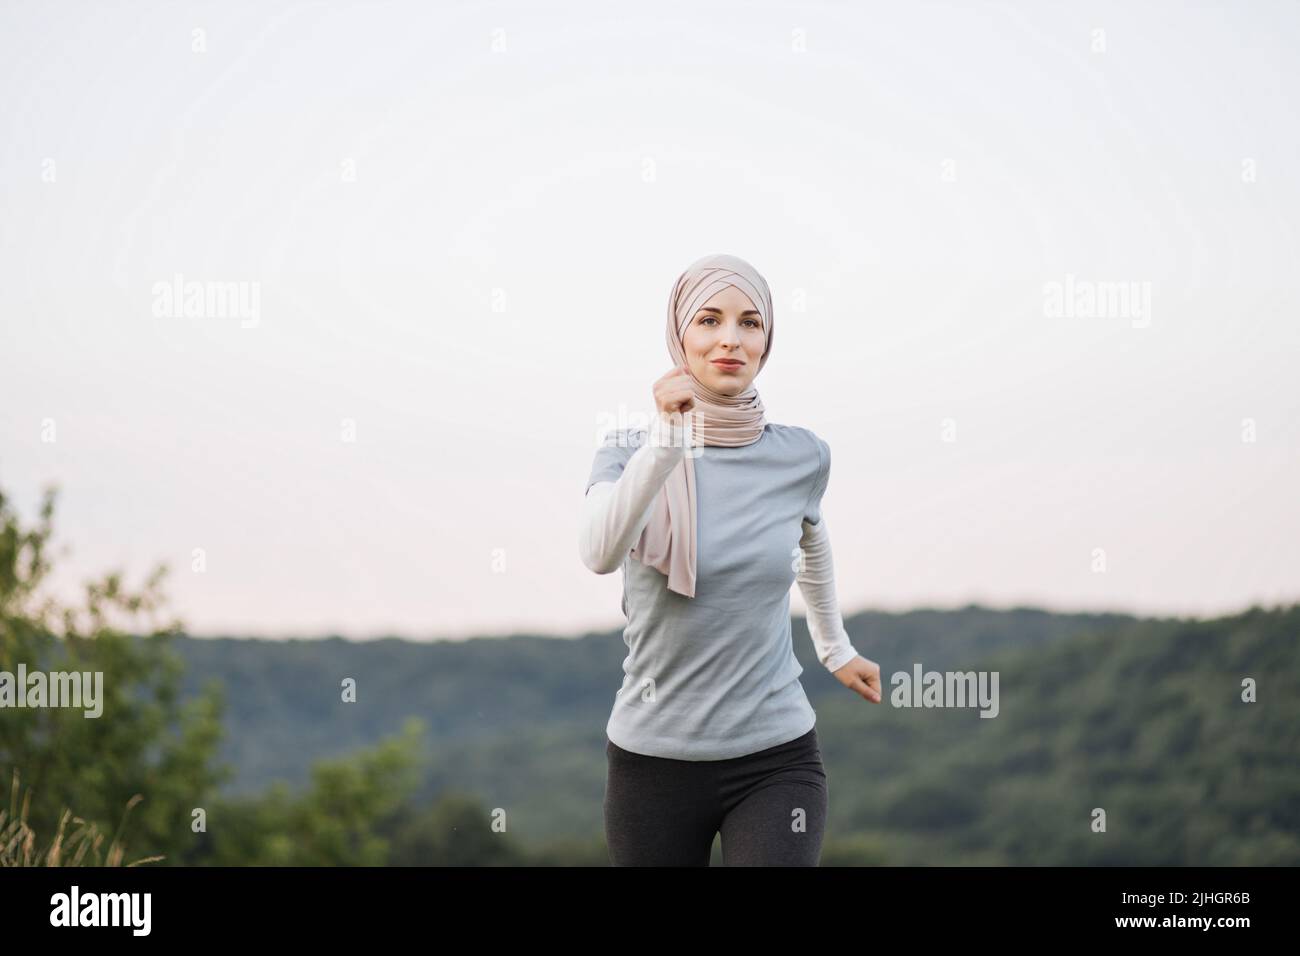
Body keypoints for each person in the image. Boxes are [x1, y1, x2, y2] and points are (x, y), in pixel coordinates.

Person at [578, 252, 882, 866]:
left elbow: (811, 539)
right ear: (679, 336)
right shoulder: (627, 450)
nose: (730, 340)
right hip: (652, 763)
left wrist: (835, 648)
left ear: (766, 342)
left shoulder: (802, 456)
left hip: (776, 756)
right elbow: (600, 551)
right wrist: (668, 437)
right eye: (709, 320)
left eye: (750, 323)